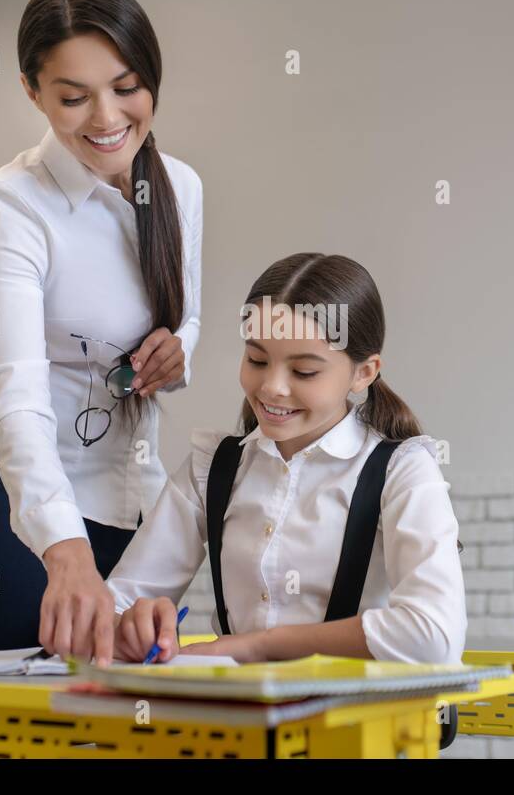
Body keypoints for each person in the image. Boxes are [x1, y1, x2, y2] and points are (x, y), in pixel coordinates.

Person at [0, 0, 202, 659]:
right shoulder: (14, 205)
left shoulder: (181, 188)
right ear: (33, 92)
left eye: (126, 86)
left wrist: (179, 351)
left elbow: (186, 318)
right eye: (73, 97)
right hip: (14, 502)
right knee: (23, 726)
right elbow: (15, 395)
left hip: (132, 496)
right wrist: (66, 552)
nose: (108, 118)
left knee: (142, 718)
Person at [102, 253, 466, 665]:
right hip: (237, 721)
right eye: (257, 360)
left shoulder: (402, 470)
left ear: (364, 373)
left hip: (356, 723)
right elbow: (116, 607)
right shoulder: (213, 467)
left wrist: (256, 646)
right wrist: (132, 626)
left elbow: (434, 635)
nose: (272, 388)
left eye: (305, 371)